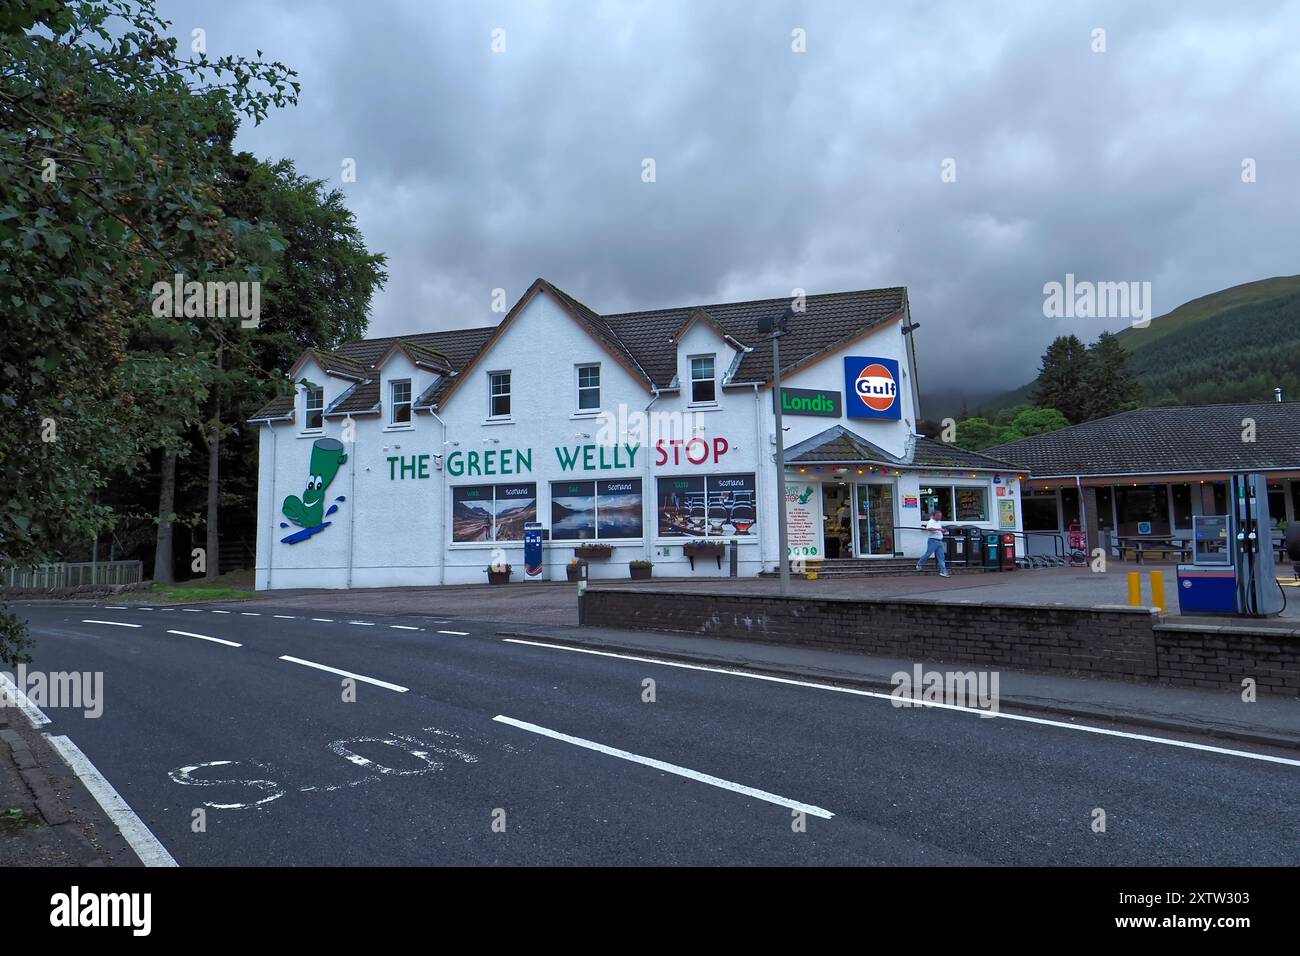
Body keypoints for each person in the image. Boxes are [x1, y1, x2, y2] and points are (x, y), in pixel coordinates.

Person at [916, 509, 950, 577]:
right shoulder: (931, 522)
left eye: (940, 516)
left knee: (941, 557)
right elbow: (929, 529)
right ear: (935, 516)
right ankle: (919, 564)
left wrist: (943, 531)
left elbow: (939, 530)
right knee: (928, 554)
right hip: (933, 541)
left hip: (940, 541)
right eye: (938, 516)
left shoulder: (938, 522)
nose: (940, 517)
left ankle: (943, 572)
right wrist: (938, 529)